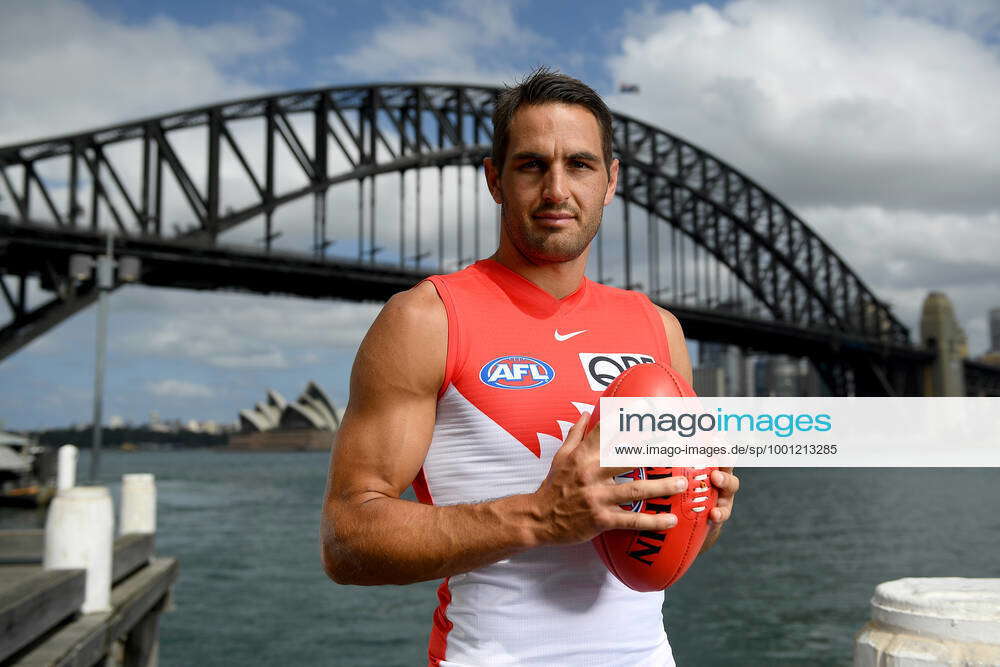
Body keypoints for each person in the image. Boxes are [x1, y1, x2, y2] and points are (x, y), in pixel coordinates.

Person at [320, 67, 740, 666]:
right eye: (531, 165)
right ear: (495, 179)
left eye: (580, 164)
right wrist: (539, 518)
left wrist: (704, 510)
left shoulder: (659, 330)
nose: (556, 190)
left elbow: (665, 542)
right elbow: (346, 542)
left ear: (611, 181)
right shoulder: (427, 319)